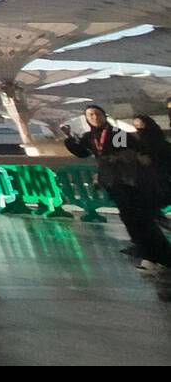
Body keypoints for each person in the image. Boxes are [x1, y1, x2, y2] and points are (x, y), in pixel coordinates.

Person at [63, 107, 171, 272]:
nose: (94, 117)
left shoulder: (117, 133)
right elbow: (82, 153)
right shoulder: (90, 136)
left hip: (130, 183)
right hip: (113, 183)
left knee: (139, 219)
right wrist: (69, 138)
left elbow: (127, 153)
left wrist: (114, 159)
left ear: (104, 116)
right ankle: (152, 255)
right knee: (131, 219)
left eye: (97, 114)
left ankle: (156, 256)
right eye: (90, 115)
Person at [131, 114, 171, 222]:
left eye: (140, 127)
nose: (138, 130)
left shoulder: (145, 144)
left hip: (158, 179)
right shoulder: (160, 142)